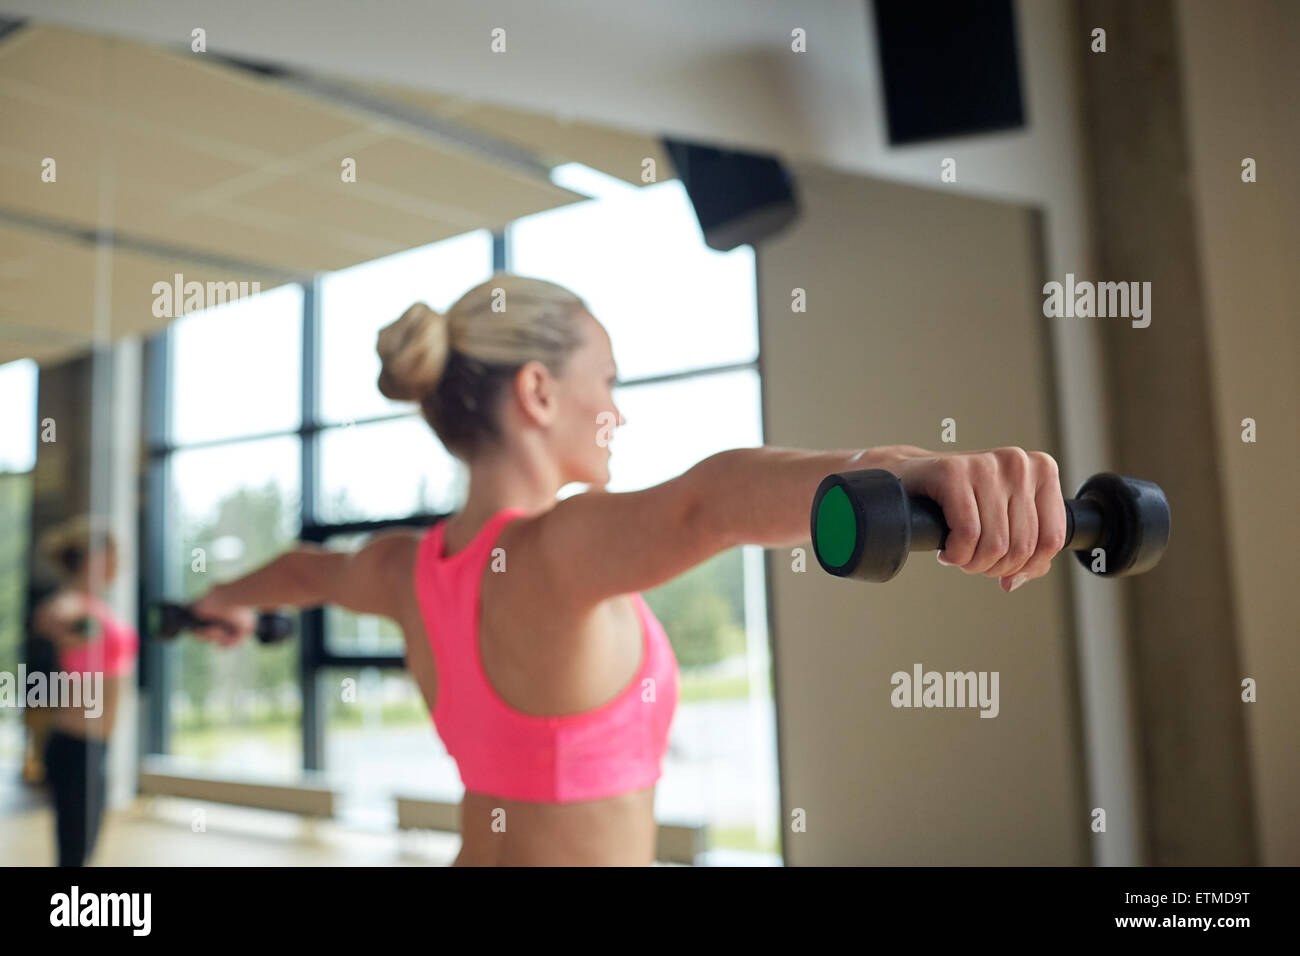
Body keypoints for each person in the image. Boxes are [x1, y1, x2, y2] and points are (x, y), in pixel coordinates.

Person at [190, 272, 1068, 866]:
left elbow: (308, 571)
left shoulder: (403, 569)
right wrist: (901, 471)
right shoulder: (545, 555)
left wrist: (222, 599)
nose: (617, 411)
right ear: (538, 393)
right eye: (606, 380)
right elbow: (708, 502)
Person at [31, 515, 139, 867]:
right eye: (114, 554)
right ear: (94, 559)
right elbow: (53, 616)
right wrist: (69, 625)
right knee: (75, 853)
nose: (120, 563)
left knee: (86, 849)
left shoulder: (99, 606)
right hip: (75, 745)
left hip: (96, 745)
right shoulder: (72, 601)